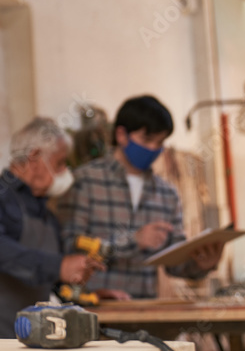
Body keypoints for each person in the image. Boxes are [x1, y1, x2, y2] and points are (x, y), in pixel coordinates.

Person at [61, 95, 223, 301]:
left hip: (145, 314)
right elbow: (68, 248)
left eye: (160, 142)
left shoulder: (167, 194)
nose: (153, 149)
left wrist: (201, 264)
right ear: (121, 134)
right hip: (92, 311)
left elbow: (176, 265)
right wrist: (133, 241)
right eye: (147, 140)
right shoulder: (84, 182)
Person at [0, 117, 103, 338]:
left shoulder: (49, 216)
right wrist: (59, 266)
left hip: (30, 332)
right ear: (34, 157)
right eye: (60, 163)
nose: (65, 171)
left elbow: (50, 279)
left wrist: (84, 289)